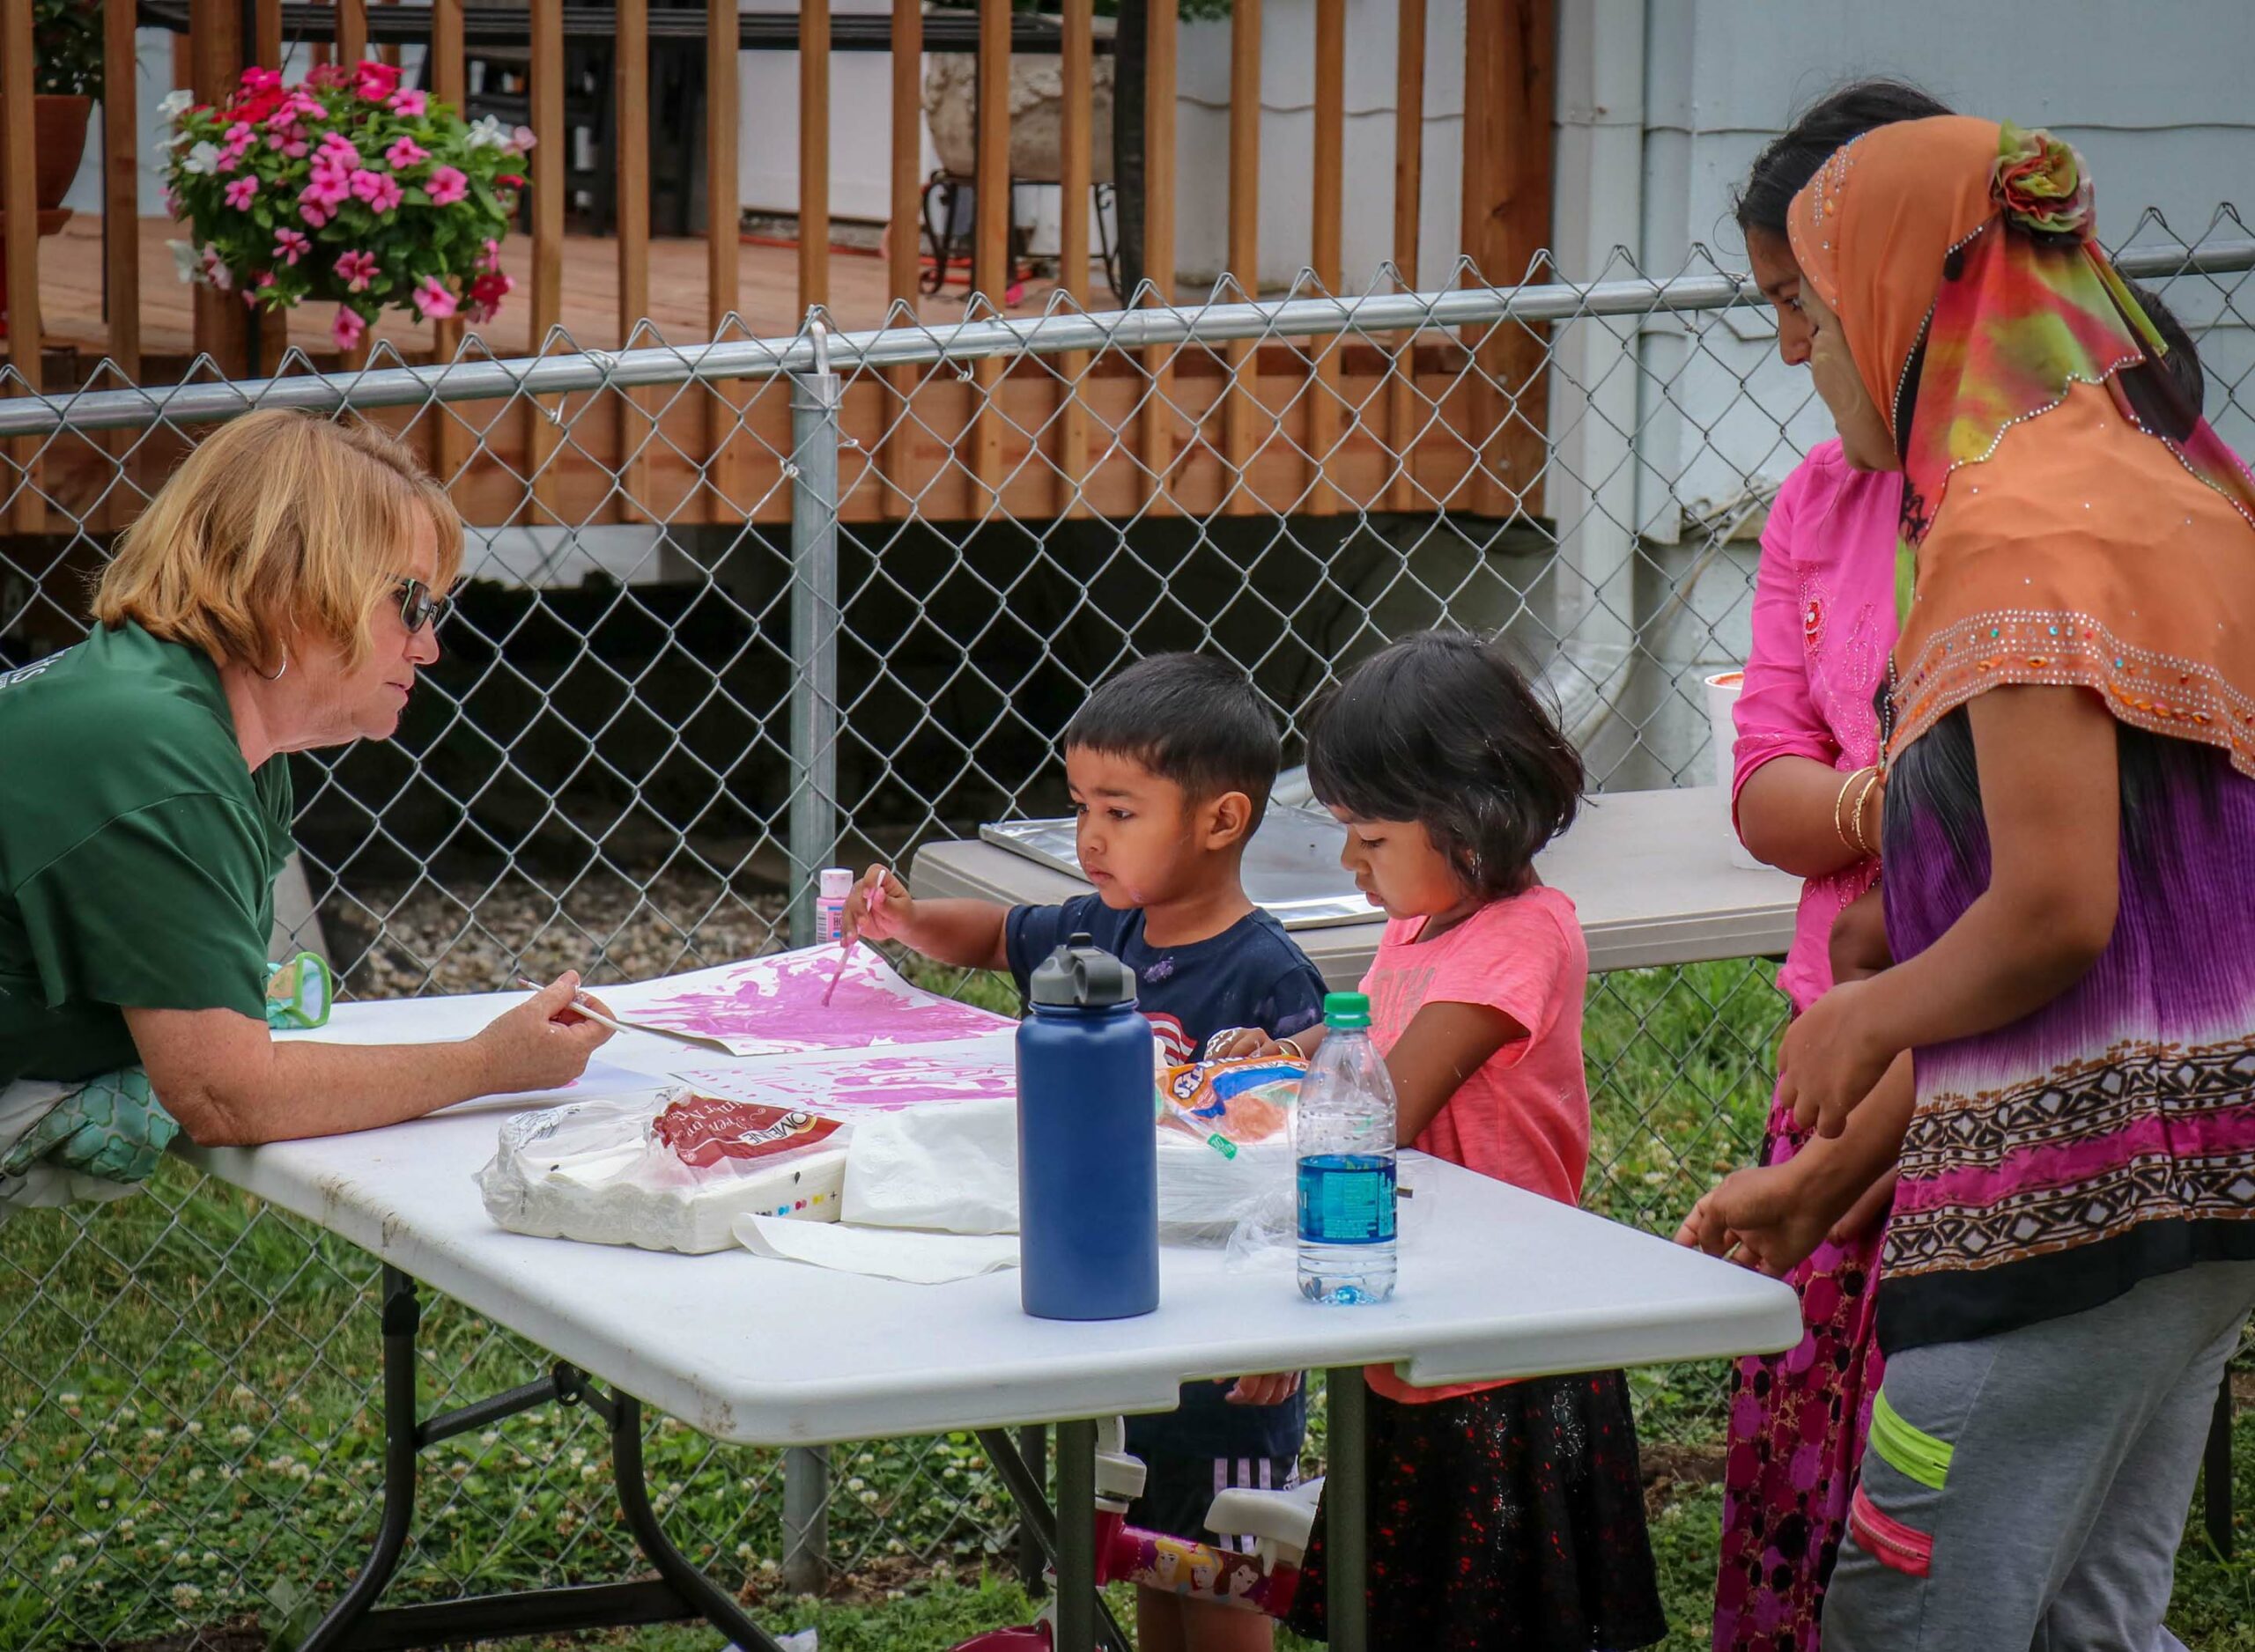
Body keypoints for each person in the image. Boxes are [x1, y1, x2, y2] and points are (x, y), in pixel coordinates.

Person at [1673, 78, 2217, 1652]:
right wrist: (1833, 1178)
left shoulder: (2018, 527)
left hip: (2076, 1183)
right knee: (2088, 1618)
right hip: (2191, 1161)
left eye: (1815, 306)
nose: (1801, 349)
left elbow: (2051, 919)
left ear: (1904, 293)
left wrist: (1868, 1008)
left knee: (1911, 1608)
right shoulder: (2160, 486)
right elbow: (2110, 963)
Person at [0, 411, 613, 1215]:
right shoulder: (161, 749)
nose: (427, 647)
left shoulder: (199, 726)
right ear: (298, 580)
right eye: (413, 603)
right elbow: (228, 1094)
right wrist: (490, 1064)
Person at [844, 650, 1325, 1652]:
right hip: (1120, 1301)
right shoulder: (1097, 926)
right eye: (1079, 804)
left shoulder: (1270, 973)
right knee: (1151, 1557)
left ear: (1220, 820)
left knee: (1229, 1585)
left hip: (1232, 1345)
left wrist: (1287, 1333)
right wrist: (908, 922)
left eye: (1118, 809)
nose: (1087, 835)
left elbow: (1300, 1162)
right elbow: (995, 938)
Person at [1214, 631, 1663, 1652]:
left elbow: (1378, 1109)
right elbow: (1358, 1038)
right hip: (1421, 1303)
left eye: (1368, 839)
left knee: (1488, 1617)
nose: (1348, 864)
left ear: (1469, 821)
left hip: (1503, 1341)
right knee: (1409, 1609)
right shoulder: (1418, 924)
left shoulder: (1521, 938)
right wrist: (1278, 1050)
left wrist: (1282, 1102)